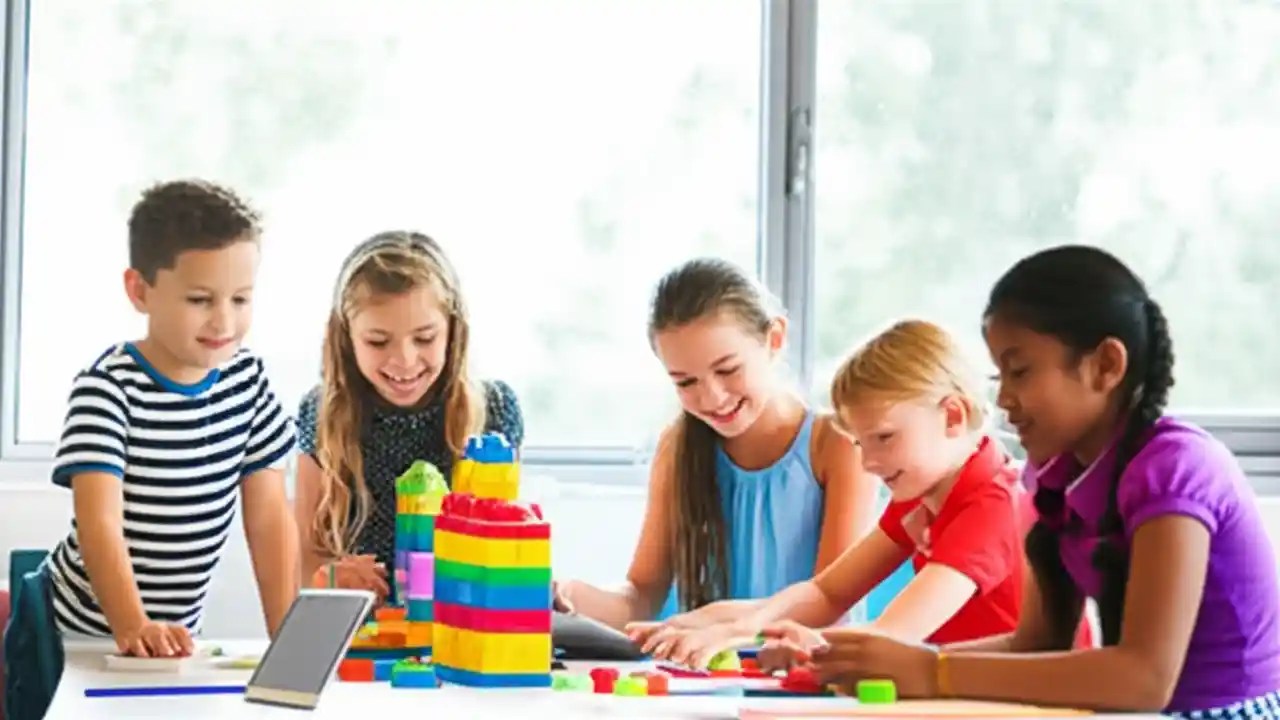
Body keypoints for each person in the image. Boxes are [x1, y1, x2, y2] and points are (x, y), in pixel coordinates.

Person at [799, 245, 1280, 718]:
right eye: (1000, 377)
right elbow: (1035, 644)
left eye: (1021, 371)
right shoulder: (1059, 483)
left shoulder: (1175, 469)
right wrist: (872, 661)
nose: (1004, 399)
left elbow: (1145, 677)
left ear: (1106, 365)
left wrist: (934, 670)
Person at [3, 179, 299, 720]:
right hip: (77, 630)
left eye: (241, 299)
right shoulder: (107, 389)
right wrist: (132, 625)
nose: (225, 322)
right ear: (139, 291)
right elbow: (100, 525)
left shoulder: (249, 379)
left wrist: (289, 639)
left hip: (171, 636)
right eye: (200, 300)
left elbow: (269, 518)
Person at [633, 319, 1037, 669]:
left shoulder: (992, 503)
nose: (869, 463)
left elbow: (890, 639)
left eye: (884, 437)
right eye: (861, 444)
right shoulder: (924, 490)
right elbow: (827, 592)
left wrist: (761, 638)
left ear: (952, 415)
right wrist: (709, 623)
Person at [554, 257, 880, 631]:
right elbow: (640, 598)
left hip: (804, 676)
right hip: (701, 676)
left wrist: (715, 624)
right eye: (685, 382)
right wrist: (568, 594)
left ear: (774, 340)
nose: (711, 397)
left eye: (727, 370)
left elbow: (830, 603)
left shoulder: (837, 444)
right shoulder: (677, 447)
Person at [293, 231, 524, 603]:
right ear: (347, 339)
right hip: (361, 636)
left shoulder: (493, 410)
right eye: (378, 342)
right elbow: (302, 562)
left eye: (425, 338)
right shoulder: (322, 413)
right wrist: (331, 575)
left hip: (458, 630)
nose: (404, 360)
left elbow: (505, 544)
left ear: (453, 332)